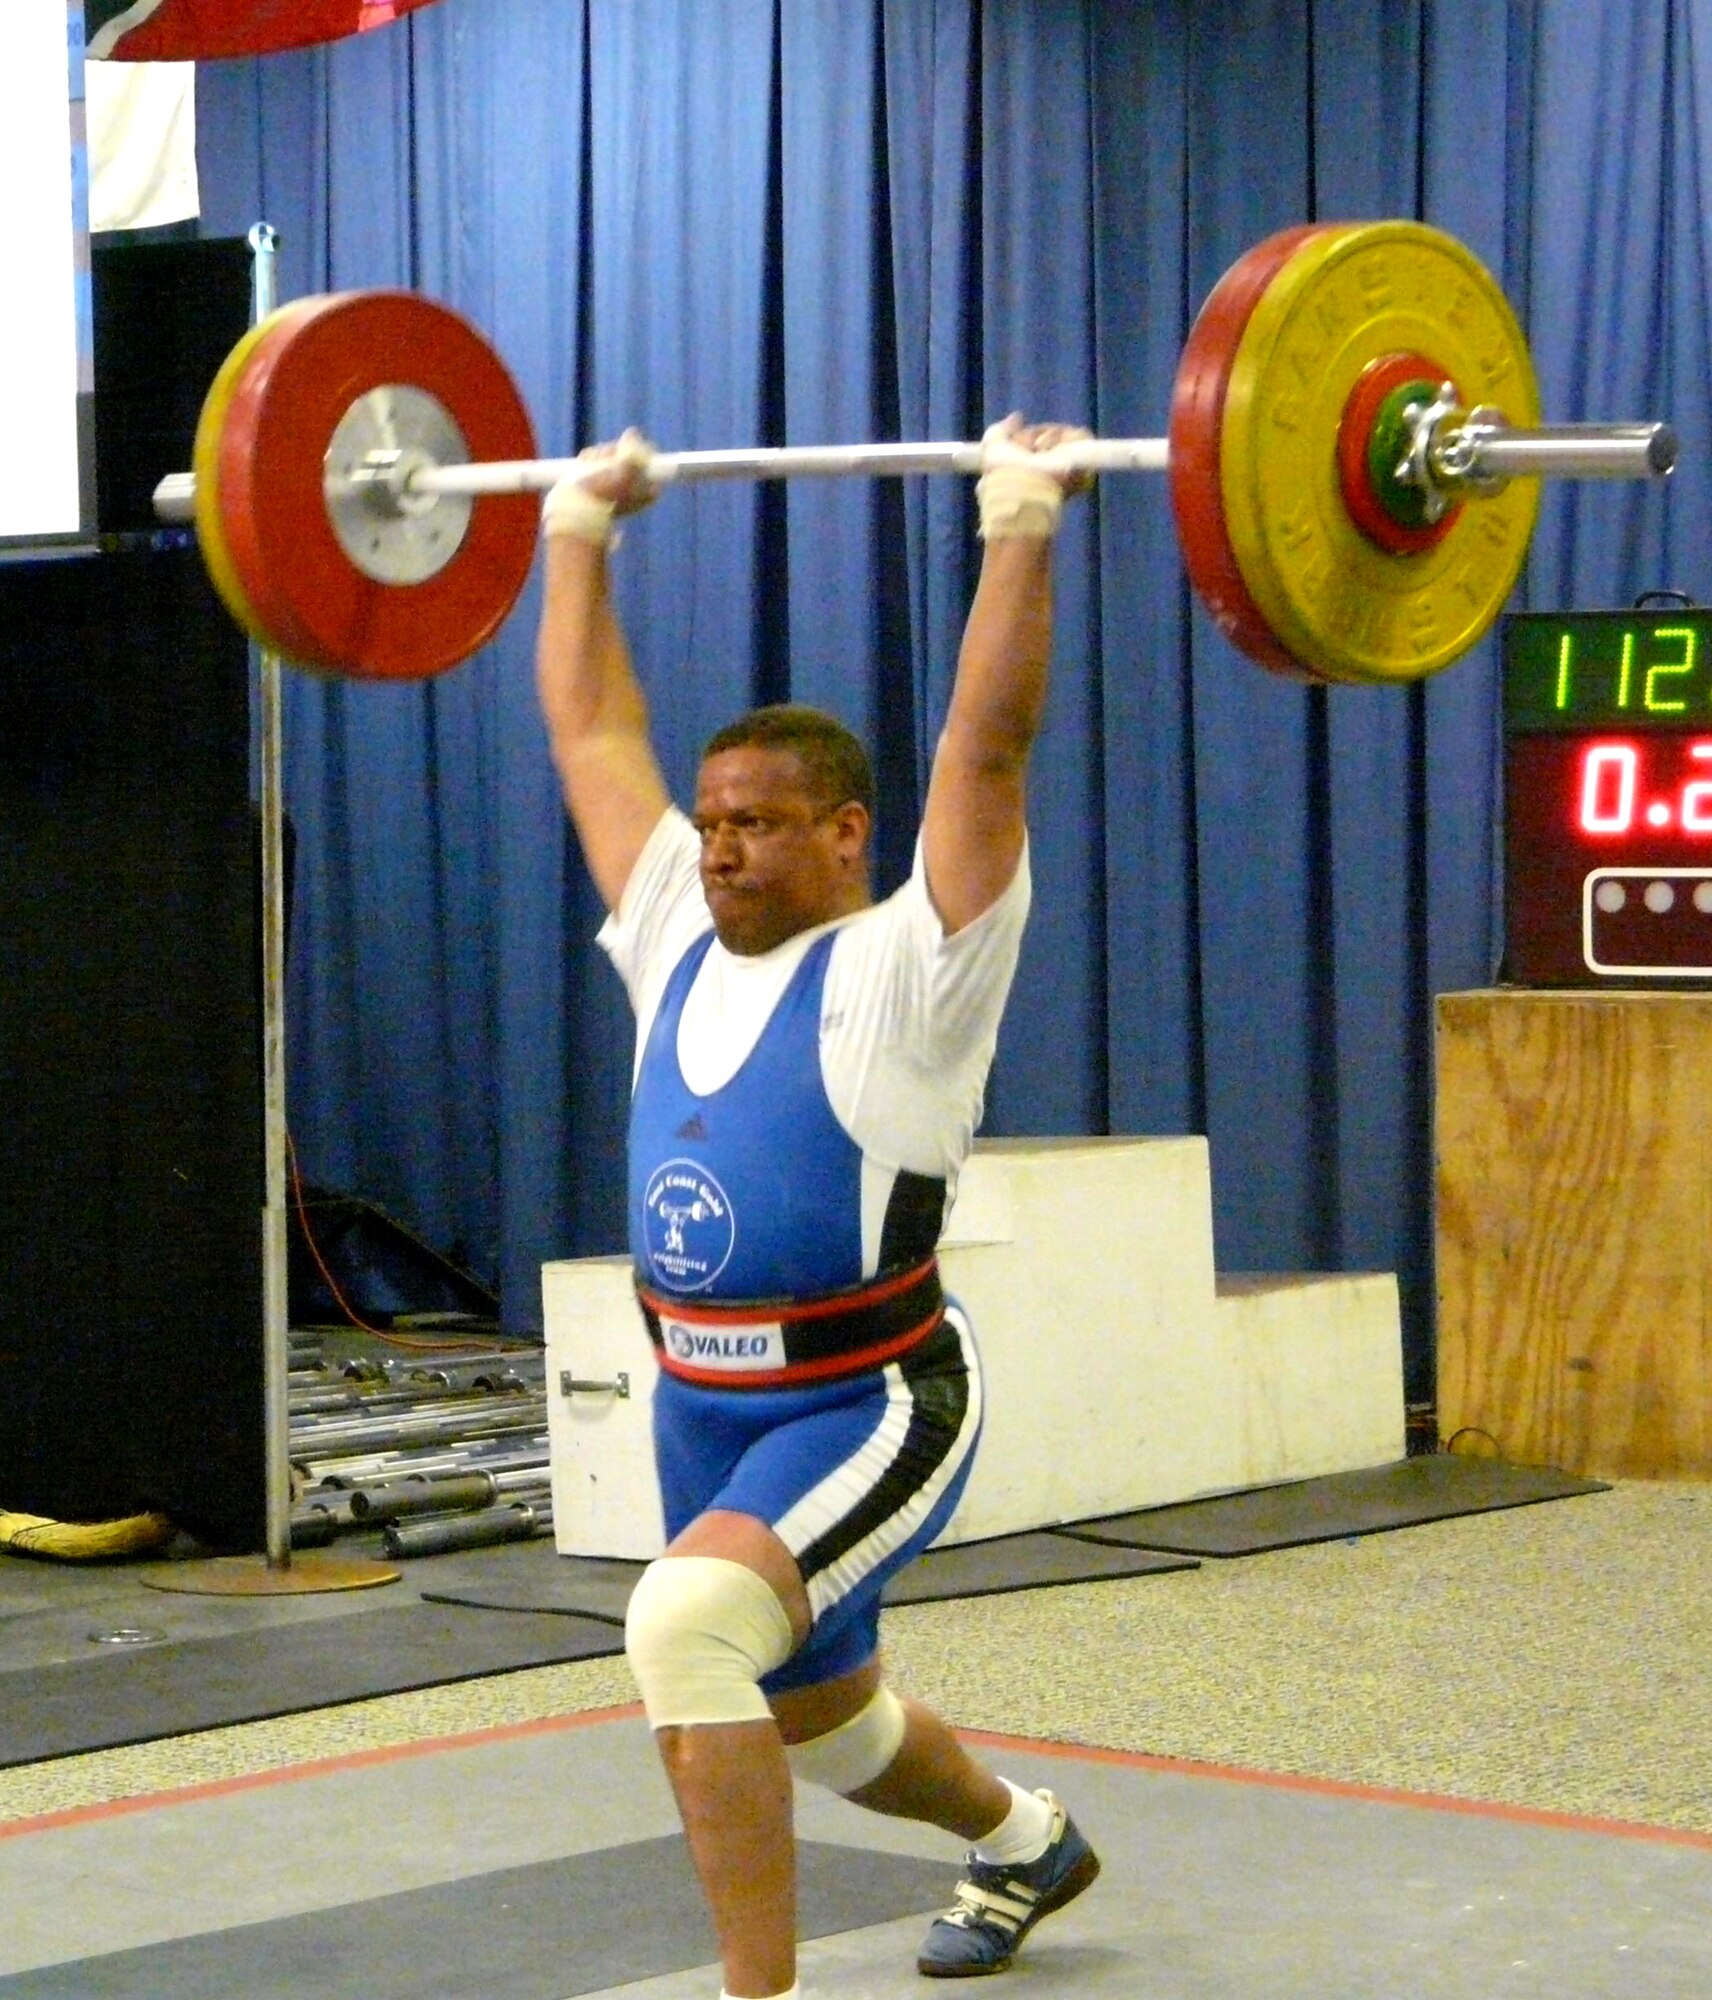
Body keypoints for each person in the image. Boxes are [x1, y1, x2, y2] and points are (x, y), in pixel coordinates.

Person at [534, 415, 1099, 2000]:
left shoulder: (917, 967)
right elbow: (589, 735)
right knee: (827, 1727)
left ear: (849, 832)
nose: (716, 846)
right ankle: (1024, 1839)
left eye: (757, 822)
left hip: (873, 1396)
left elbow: (984, 752)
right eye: (711, 821)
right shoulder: (671, 926)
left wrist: (1021, 514)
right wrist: (578, 529)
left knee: (682, 1630)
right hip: (703, 1401)